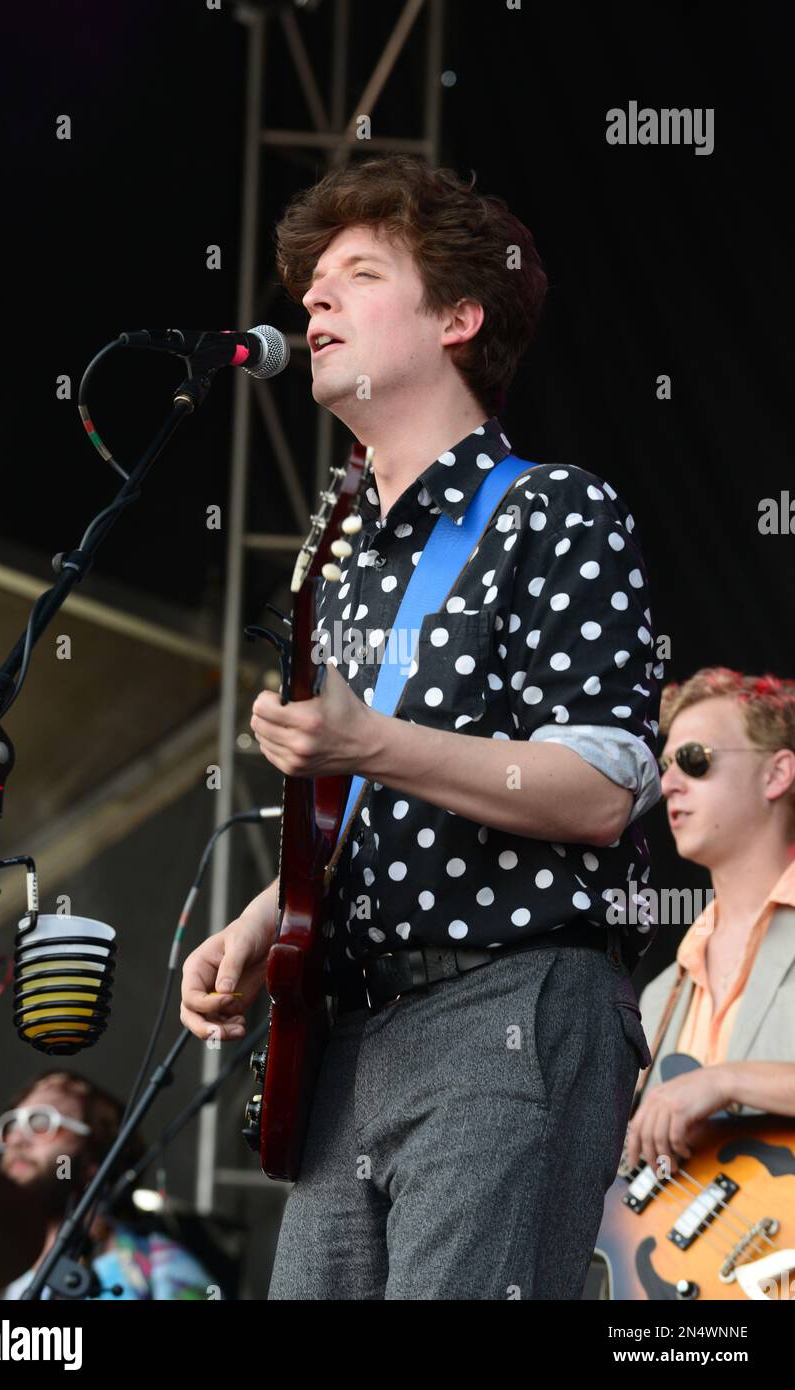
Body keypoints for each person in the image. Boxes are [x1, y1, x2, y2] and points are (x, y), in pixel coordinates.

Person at [181, 154, 663, 1299]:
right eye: (310, 284)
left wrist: (363, 742)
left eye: (357, 273)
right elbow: (366, 796)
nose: (312, 302)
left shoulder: (555, 509)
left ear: (459, 314)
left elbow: (599, 790)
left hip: (508, 1005)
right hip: (351, 1034)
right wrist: (264, 919)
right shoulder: (342, 564)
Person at [628, 668, 795, 1174]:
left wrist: (725, 1081)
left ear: (776, 774)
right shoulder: (660, 995)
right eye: (664, 765)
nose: (667, 784)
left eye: (693, 760)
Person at [0, 1069, 217, 1300]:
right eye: (12, 1125)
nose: (16, 1139)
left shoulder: (161, 1267)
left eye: (41, 1122)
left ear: (95, 1161)